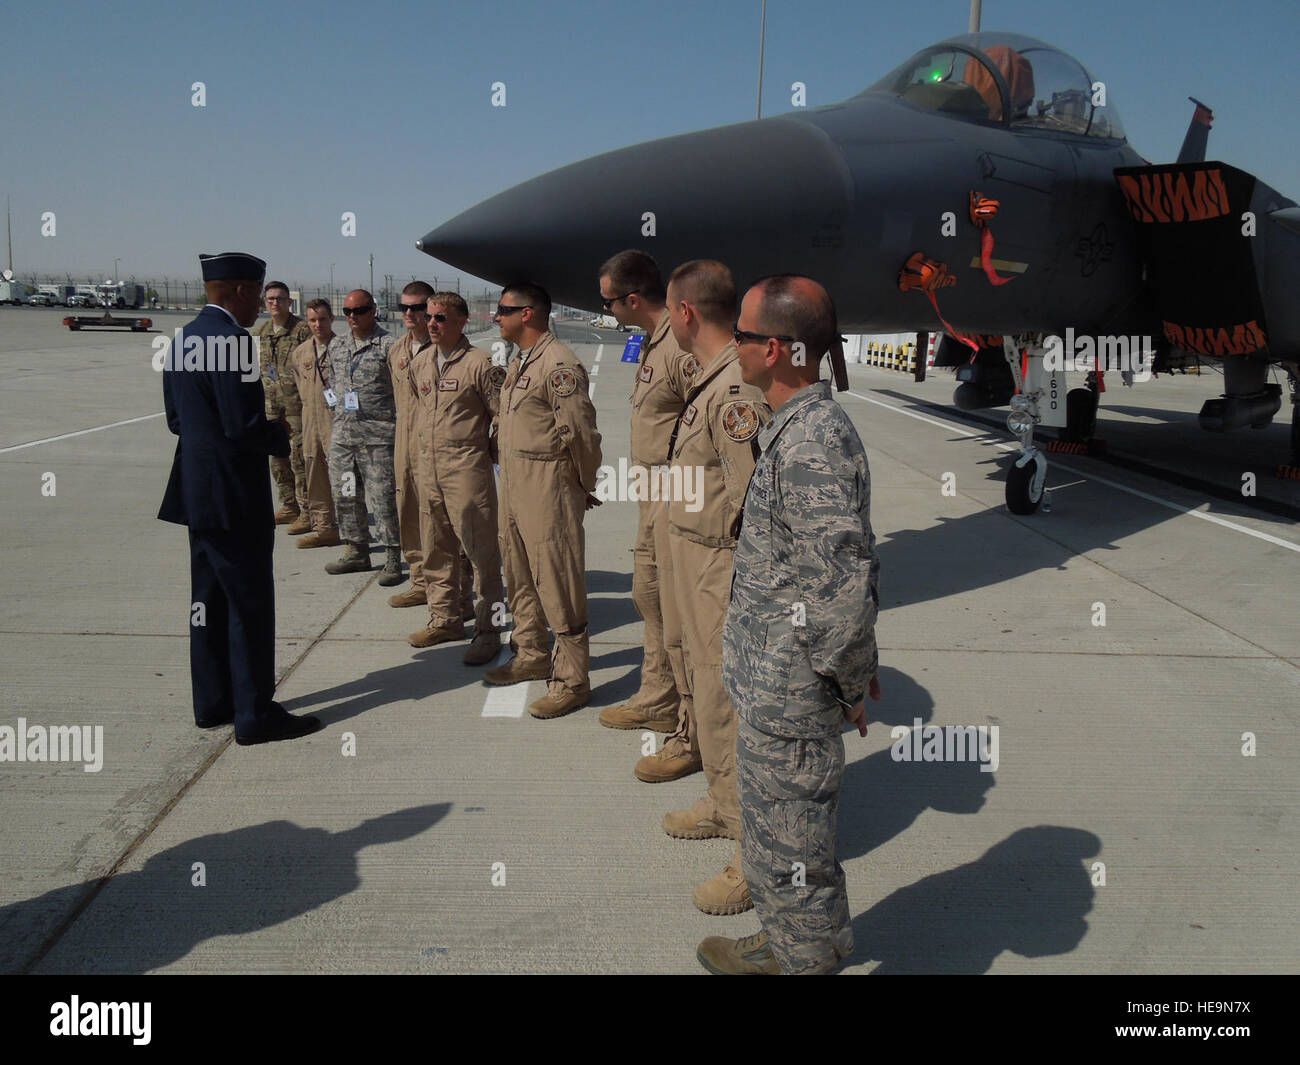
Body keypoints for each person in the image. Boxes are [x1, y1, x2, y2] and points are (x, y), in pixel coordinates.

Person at [698, 275, 881, 975]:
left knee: (793, 850)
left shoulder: (811, 443)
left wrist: (851, 680)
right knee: (781, 843)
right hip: (774, 682)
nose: (734, 345)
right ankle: (797, 943)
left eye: (742, 334)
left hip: (793, 695)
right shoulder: (796, 427)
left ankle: (803, 961)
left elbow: (838, 591)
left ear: (774, 349)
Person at [158, 251, 322, 745]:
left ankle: (212, 703)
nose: (260, 306)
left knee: (205, 601)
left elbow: (176, 420)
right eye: (257, 294)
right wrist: (277, 434)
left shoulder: (184, 339)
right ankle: (254, 715)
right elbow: (242, 426)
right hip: (233, 496)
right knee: (248, 604)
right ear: (240, 291)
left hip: (196, 491)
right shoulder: (232, 343)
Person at [661, 260, 771, 915]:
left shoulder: (734, 388)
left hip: (718, 566)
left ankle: (750, 842)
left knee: (726, 696)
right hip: (691, 552)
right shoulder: (712, 377)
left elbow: (752, 499)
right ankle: (721, 798)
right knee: (705, 686)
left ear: (685, 314)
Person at [596, 251, 702, 785]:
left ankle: (693, 726)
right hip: (652, 489)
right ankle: (658, 697)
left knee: (679, 611)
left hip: (675, 491)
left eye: (609, 300)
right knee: (650, 594)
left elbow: (702, 427)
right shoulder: (651, 342)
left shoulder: (682, 348)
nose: (608, 309)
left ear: (632, 299)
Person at [486, 282, 602, 719]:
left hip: (547, 482)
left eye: (503, 309)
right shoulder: (522, 361)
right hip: (515, 482)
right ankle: (531, 652)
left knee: (557, 580)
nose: (497, 317)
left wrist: (580, 485)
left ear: (528, 313)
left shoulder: (559, 365)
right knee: (518, 573)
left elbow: (583, 434)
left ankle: (573, 680)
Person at [407, 291, 505, 665]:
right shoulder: (421, 363)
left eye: (440, 318)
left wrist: (490, 456)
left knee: (483, 557)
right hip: (428, 471)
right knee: (435, 549)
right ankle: (445, 618)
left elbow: (504, 416)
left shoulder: (481, 365)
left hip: (466, 472)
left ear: (462, 321)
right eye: (428, 317)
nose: (431, 323)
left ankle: (489, 629)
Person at [323, 289, 400, 582]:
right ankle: (356, 550)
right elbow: (333, 382)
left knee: (382, 498)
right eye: (347, 312)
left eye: (360, 310)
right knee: (345, 495)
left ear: (373, 310)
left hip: (378, 438)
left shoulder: (389, 345)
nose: (353, 317)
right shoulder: (337, 345)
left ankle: (393, 555)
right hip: (343, 436)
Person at [385, 281, 436, 607]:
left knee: (441, 520)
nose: (408, 313)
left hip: (435, 448)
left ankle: (453, 590)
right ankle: (420, 581)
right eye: (404, 307)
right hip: (404, 444)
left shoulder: (444, 349)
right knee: (408, 513)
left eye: (416, 307)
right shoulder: (398, 351)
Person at [251, 281, 312, 529]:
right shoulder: (261, 332)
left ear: (289, 302)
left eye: (280, 298)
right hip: (272, 406)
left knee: (300, 459)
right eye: (271, 299)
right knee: (278, 458)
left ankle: (308, 509)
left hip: (297, 405)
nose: (275, 303)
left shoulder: (302, 331)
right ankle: (289, 505)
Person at [290, 298, 349, 548]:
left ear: (332, 319)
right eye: (312, 320)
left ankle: (352, 532)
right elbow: (298, 386)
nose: (317, 325)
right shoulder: (301, 353)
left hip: (338, 424)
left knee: (346, 480)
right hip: (311, 423)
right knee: (315, 477)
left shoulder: (344, 348)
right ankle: (324, 528)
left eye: (322, 319)